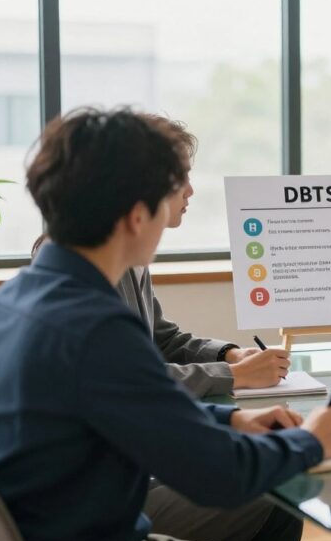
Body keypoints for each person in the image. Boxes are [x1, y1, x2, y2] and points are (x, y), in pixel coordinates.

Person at [0, 107, 331, 541]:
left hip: (48, 523)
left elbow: (118, 404)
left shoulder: (14, 299)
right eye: (169, 192)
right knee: (276, 503)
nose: (174, 211)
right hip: (96, 534)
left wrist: (231, 418)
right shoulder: (96, 328)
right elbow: (222, 475)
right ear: (136, 215)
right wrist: (314, 441)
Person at [118, 116, 288, 397]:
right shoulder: (98, 264)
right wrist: (235, 375)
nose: (190, 190)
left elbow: (162, 341)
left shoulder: (132, 253)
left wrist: (229, 356)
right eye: (181, 177)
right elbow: (127, 379)